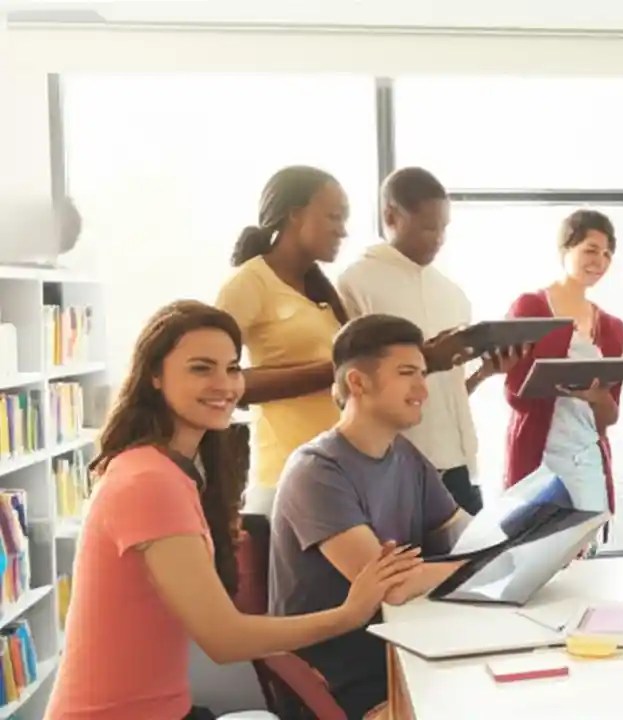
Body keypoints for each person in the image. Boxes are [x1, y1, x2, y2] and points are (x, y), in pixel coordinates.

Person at [47, 301, 422, 720]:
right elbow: (223, 639)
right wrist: (349, 614)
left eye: (232, 368)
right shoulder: (147, 481)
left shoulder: (168, 471)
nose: (224, 384)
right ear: (154, 376)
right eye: (201, 368)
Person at [270, 314, 470, 719]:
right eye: (407, 373)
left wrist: (529, 539)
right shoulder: (317, 470)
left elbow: (466, 533)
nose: (422, 390)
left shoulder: (406, 456)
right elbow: (390, 587)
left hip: (408, 647)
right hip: (346, 678)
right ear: (357, 382)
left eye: (423, 374)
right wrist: (485, 561)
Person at [338, 167, 523, 515]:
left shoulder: (452, 294)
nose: (438, 238)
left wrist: (484, 372)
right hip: (391, 462)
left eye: (443, 228)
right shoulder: (356, 283)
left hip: (457, 463)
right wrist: (427, 360)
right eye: (428, 227)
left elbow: (442, 394)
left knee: (474, 566)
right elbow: (348, 390)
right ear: (390, 216)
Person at [214, 165, 351, 514]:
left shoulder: (322, 291)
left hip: (334, 471)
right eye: (333, 216)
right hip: (284, 478)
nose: (343, 230)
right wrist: (330, 372)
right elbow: (219, 381)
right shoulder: (250, 284)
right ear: (295, 214)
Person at [504, 210, 623, 520]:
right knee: (534, 554)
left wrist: (598, 398)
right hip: (539, 456)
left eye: (607, 254)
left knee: (585, 557)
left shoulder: (612, 327)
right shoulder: (530, 306)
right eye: (590, 250)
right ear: (565, 249)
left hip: (586, 459)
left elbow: (609, 417)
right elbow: (515, 394)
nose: (599, 261)